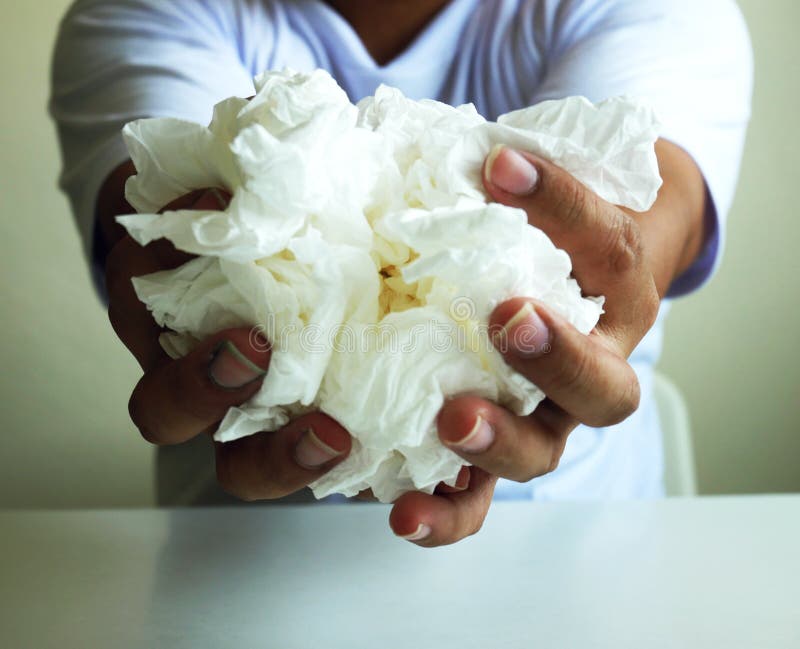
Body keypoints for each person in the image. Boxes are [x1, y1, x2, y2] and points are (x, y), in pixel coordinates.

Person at [50, 0, 752, 546]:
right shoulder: (146, 14)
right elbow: (161, 236)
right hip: (241, 575)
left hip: (592, 561)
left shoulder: (657, 10)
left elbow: (643, 226)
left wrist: (615, 267)